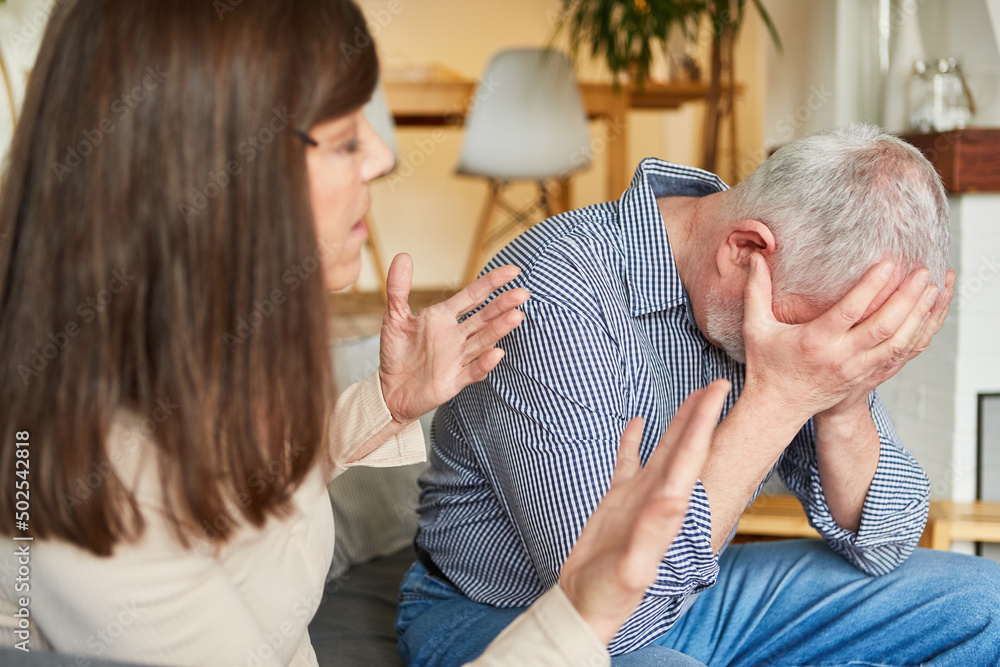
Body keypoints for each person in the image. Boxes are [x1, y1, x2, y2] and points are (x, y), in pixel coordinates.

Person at [0, 2, 731, 666]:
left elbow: (223, 481)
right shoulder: (83, 497)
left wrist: (385, 400)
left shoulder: (185, 343)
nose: (382, 158)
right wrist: (587, 606)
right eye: (348, 140)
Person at [400, 124, 1000, 666]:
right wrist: (785, 395)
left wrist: (845, 394)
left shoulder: (796, 292)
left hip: (695, 598)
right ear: (746, 251)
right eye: (822, 334)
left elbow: (886, 544)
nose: (827, 353)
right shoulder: (558, 294)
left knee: (987, 606)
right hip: (511, 616)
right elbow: (608, 617)